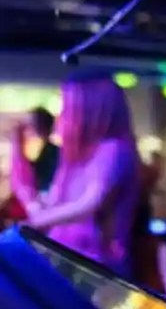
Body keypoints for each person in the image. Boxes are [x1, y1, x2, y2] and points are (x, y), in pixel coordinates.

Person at [25, 70, 142, 277]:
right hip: (66, 262)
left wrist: (37, 221)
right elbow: (54, 202)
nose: (63, 115)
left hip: (95, 270)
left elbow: (89, 204)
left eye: (68, 106)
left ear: (89, 108)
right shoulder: (74, 156)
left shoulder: (112, 149)